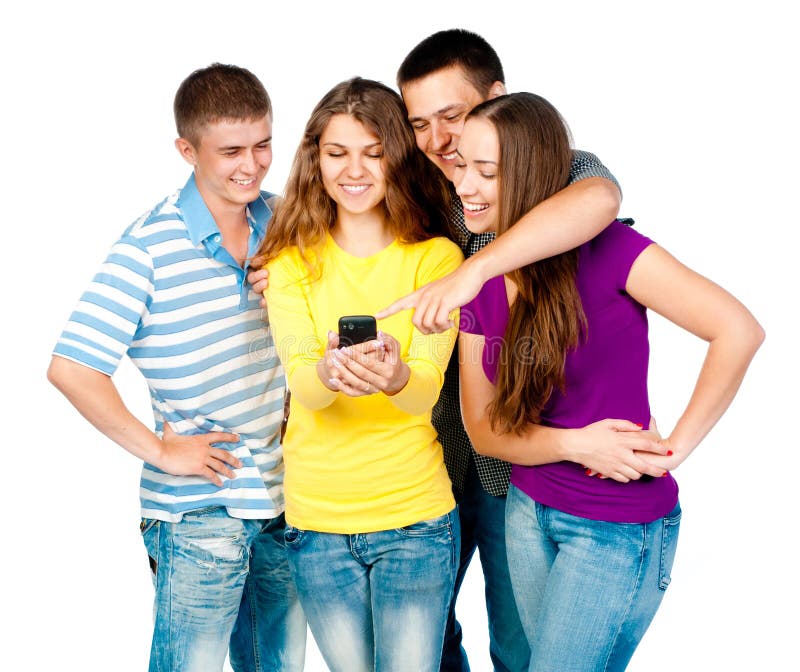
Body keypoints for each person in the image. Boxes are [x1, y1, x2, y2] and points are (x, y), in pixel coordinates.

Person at [455, 92, 764, 671]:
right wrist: (576, 443)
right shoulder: (480, 277)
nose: (465, 187)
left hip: (613, 531)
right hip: (526, 512)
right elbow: (484, 431)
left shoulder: (613, 251)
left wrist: (675, 449)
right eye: (461, 166)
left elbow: (738, 330)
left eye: (486, 172)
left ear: (527, 175)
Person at [47, 63, 306, 672]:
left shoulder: (285, 221)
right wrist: (162, 452)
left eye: (264, 144)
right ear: (187, 150)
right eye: (231, 151)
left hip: (285, 499)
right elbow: (72, 367)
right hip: (198, 514)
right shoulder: (147, 247)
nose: (253, 164)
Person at [258, 77, 462, 672]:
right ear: (314, 159)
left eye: (374, 153)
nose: (355, 170)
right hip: (316, 521)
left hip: (415, 518)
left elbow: (422, 392)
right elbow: (305, 386)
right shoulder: (291, 261)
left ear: (397, 158)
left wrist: (397, 376)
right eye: (337, 152)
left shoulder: (436, 259)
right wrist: (328, 370)